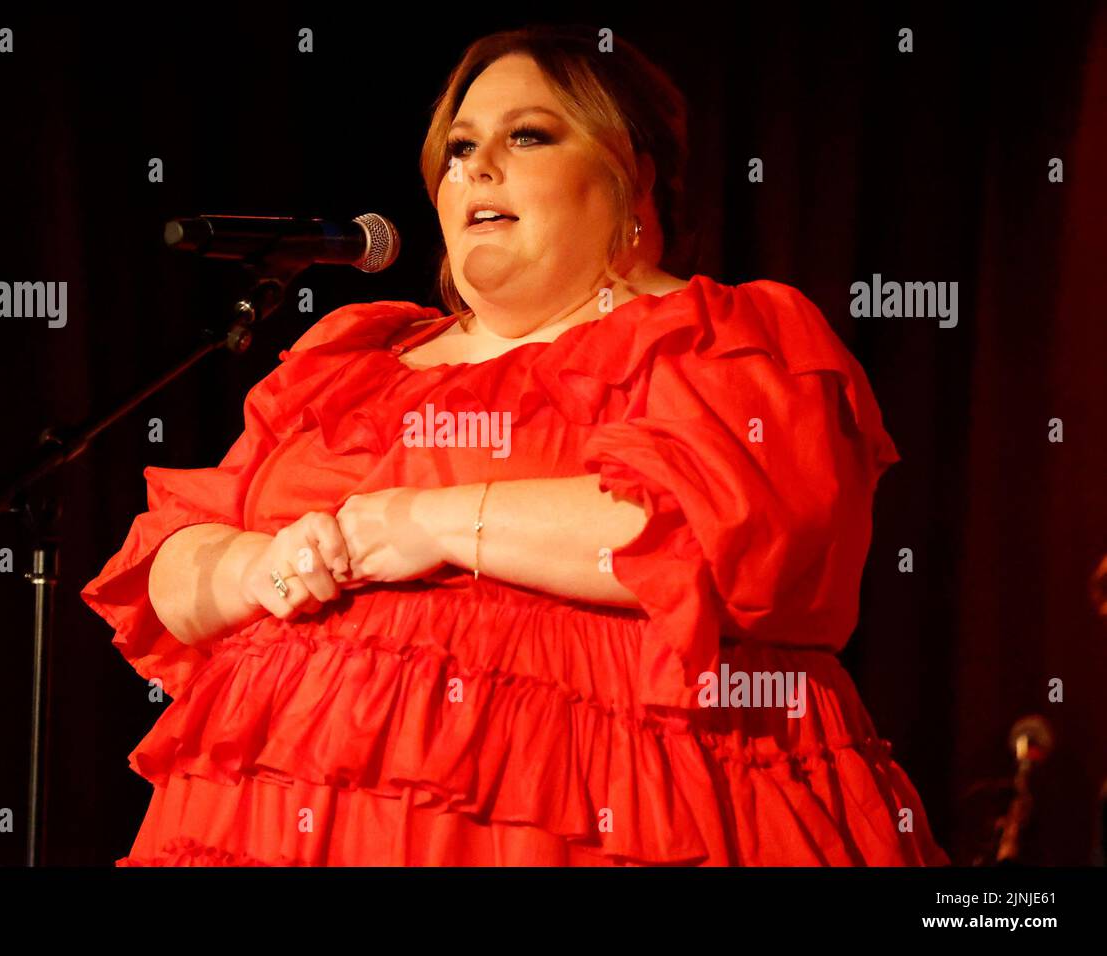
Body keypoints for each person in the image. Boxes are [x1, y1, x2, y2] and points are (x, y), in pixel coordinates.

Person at [81, 25, 951, 866]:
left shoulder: (719, 335)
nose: (476, 166)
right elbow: (170, 570)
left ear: (636, 175)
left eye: (527, 136)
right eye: (459, 148)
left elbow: (731, 537)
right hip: (282, 822)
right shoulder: (350, 360)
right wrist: (265, 566)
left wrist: (431, 523)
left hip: (603, 810)